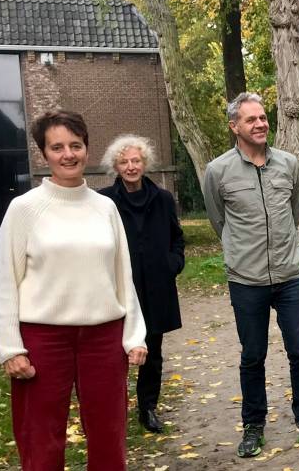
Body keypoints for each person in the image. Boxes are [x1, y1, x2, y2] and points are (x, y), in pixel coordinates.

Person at [0, 110, 147, 470]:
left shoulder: (105, 208)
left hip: (104, 338)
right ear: (44, 154)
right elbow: (4, 283)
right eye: (57, 147)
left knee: (109, 436)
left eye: (75, 145)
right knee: (40, 438)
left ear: (87, 150)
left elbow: (124, 276)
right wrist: (10, 348)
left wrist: (134, 336)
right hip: (43, 339)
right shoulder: (24, 209)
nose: (68, 154)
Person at [202, 92, 299, 457]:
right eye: (250, 120)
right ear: (234, 127)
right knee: (252, 355)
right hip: (246, 280)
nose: (260, 124)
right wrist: (239, 253)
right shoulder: (218, 171)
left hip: (290, 274)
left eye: (262, 117)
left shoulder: (289, 164)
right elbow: (218, 220)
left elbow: (292, 210)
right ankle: (253, 426)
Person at [98, 134, 185, 434]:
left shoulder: (162, 198)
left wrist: (173, 263)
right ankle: (113, 410)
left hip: (157, 286)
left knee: (153, 351)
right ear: (116, 166)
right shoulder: (104, 200)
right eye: (124, 161)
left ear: (144, 163)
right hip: (120, 288)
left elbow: (177, 237)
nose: (131, 166)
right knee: (115, 351)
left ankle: (147, 408)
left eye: (136, 160)